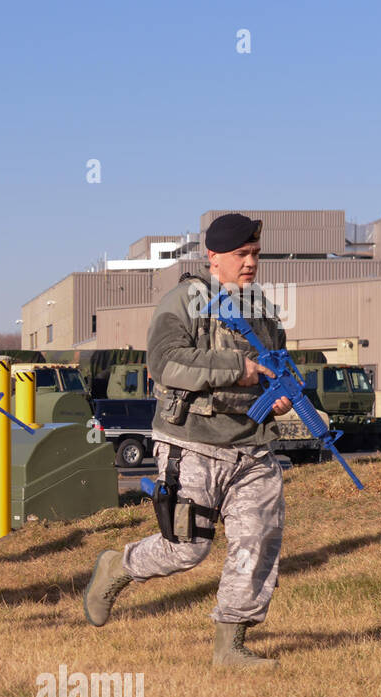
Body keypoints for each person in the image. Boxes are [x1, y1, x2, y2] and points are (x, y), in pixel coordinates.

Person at [82, 213, 289, 670]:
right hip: (191, 441)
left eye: (255, 254)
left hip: (252, 445)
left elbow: (278, 363)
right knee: (187, 548)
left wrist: (280, 397)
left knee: (258, 540)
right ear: (213, 257)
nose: (251, 262)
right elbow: (166, 361)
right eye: (241, 254)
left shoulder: (261, 307)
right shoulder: (183, 301)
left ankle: (229, 646)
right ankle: (118, 566)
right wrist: (237, 368)